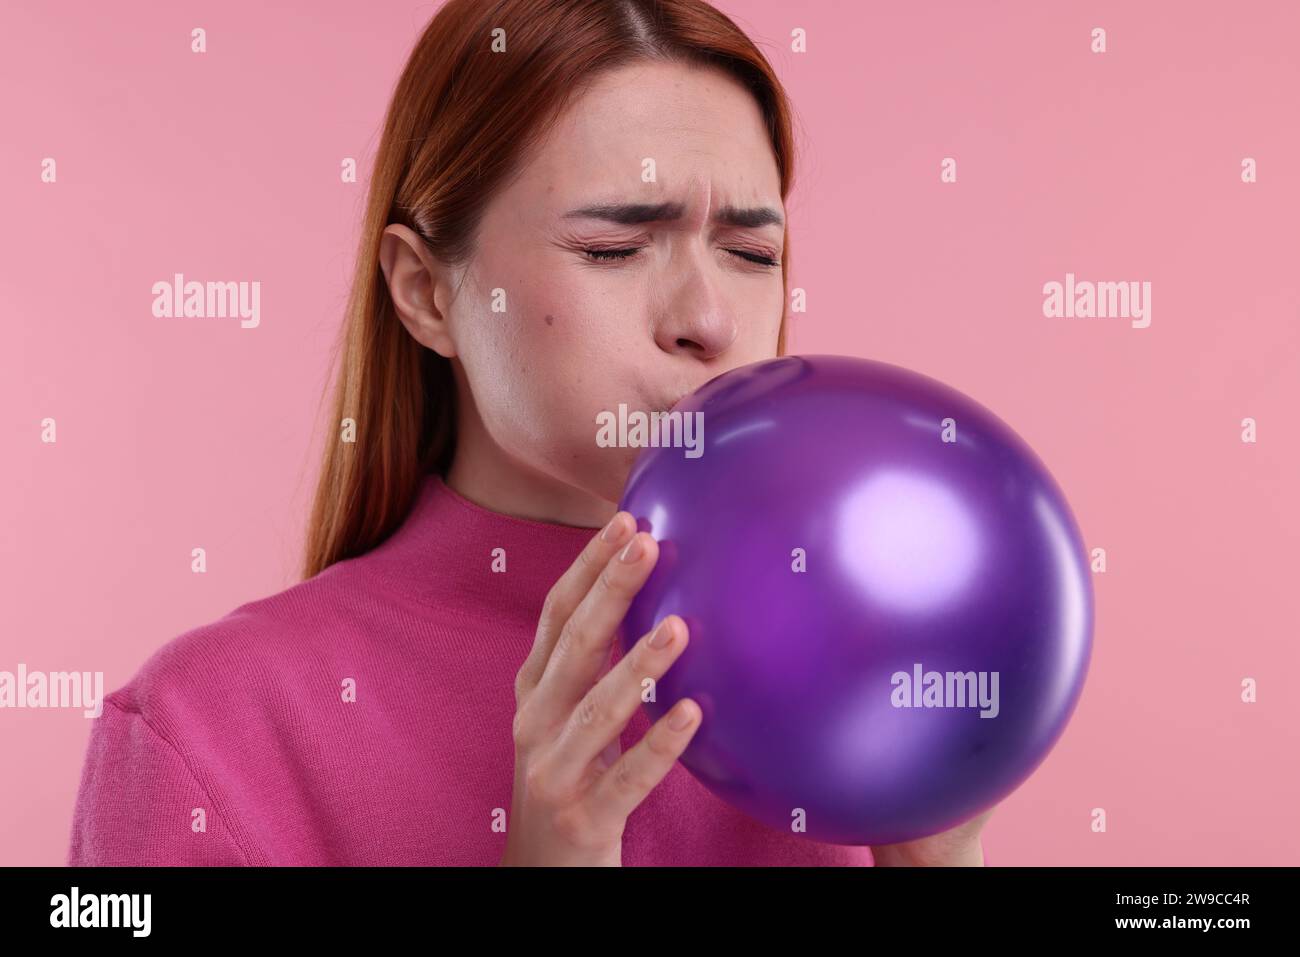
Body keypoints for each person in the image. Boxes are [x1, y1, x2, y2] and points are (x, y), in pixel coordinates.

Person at [68, 0, 990, 867]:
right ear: (427, 291)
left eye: (752, 253)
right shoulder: (205, 732)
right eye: (613, 248)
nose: (709, 318)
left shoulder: (857, 676)